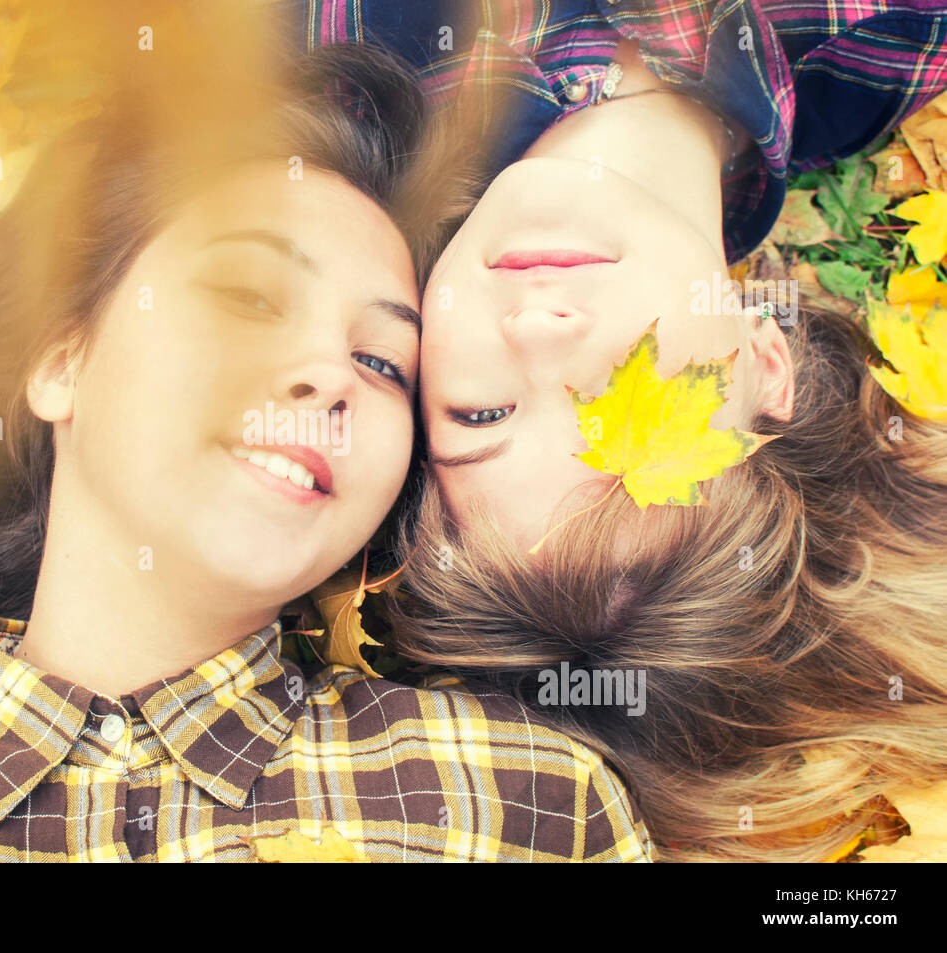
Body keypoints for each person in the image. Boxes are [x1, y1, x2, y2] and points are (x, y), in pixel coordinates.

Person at [0, 44, 652, 862]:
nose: (327, 375)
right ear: (59, 359)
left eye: (383, 360)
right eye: (248, 297)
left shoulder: (527, 801)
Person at [287, 1, 947, 860]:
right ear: (766, 362)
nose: (536, 332)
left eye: (480, 415)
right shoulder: (885, 42)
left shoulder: (341, 65)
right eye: (623, 406)